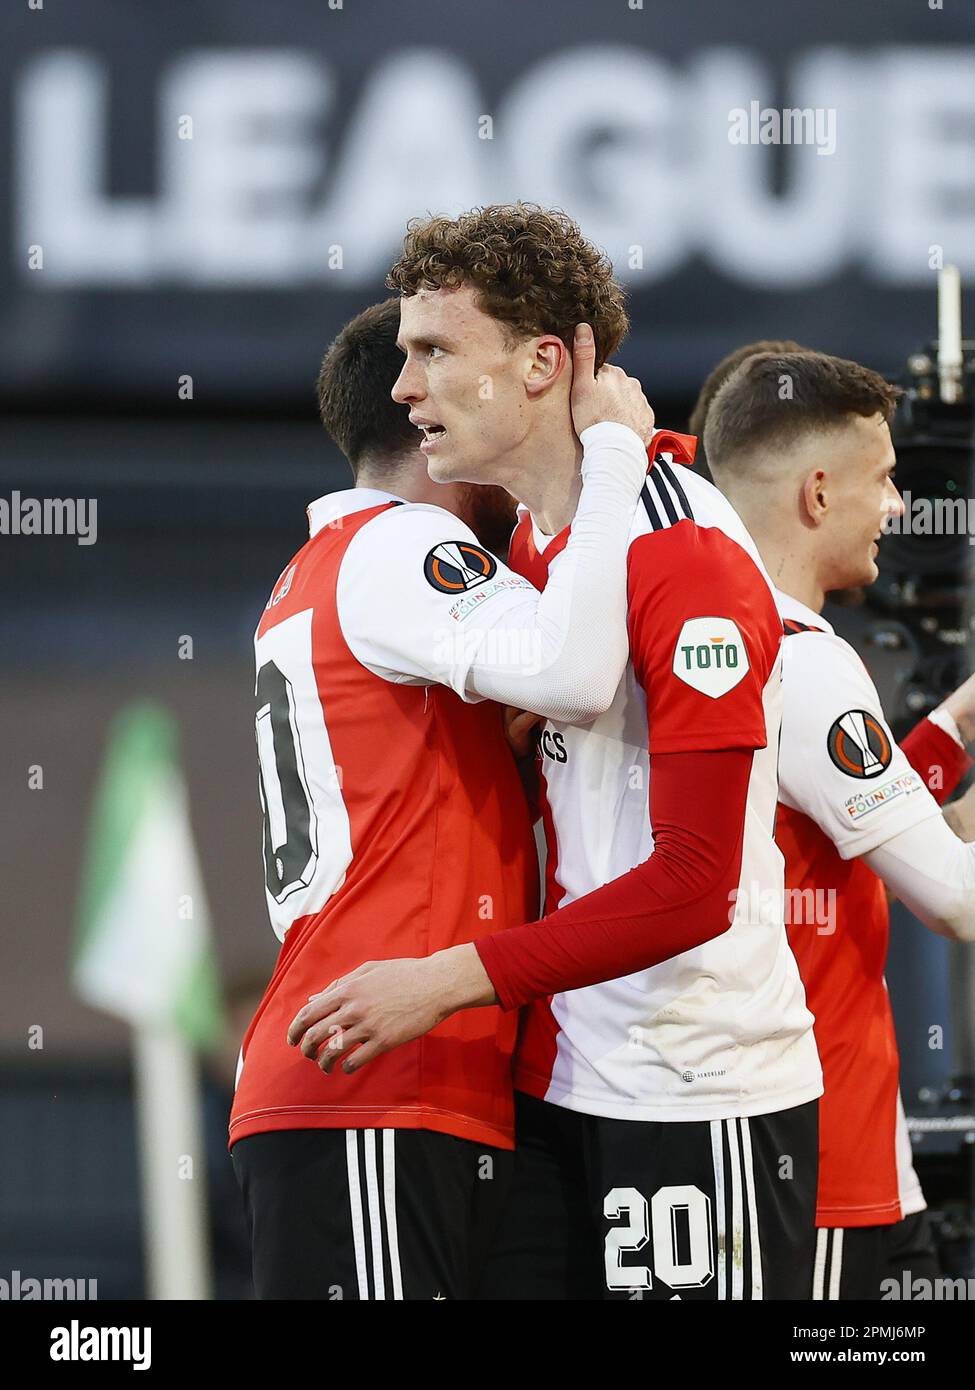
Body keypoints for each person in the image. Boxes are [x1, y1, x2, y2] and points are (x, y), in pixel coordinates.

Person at [289, 205, 823, 1300]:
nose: (402, 388)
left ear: (543, 364)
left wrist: (448, 978)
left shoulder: (686, 555)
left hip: (694, 1097)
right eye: (403, 356)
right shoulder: (536, 545)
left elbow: (691, 887)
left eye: (434, 352)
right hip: (555, 1082)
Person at [229, 292, 657, 1300]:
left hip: (398, 1078)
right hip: (378, 1077)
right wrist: (615, 465)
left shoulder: (329, 567)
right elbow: (575, 671)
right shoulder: (402, 550)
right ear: (425, 411)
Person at [701, 346, 975, 1299]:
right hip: (814, 1164)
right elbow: (953, 897)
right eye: (885, 479)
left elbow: (823, 823)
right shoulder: (804, 658)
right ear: (817, 493)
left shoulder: (689, 633)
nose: (899, 507)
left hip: (774, 1152)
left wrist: (952, 726)